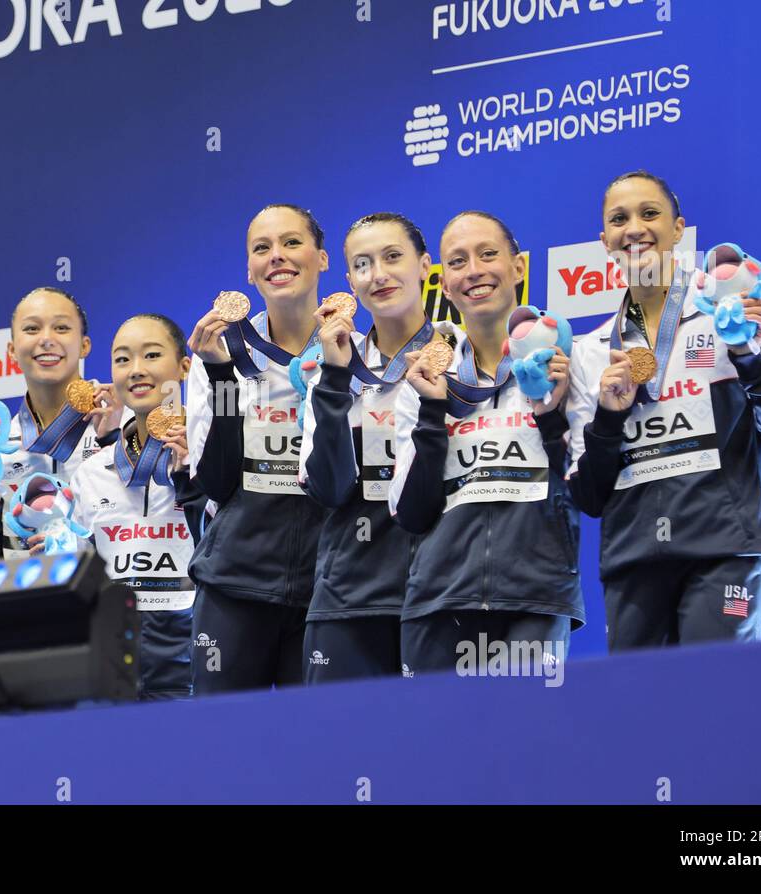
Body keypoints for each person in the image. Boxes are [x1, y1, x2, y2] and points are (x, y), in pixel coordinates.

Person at [560, 170, 761, 649]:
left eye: (649, 213)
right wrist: (610, 415)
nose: (634, 228)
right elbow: (590, 496)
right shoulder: (590, 351)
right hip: (633, 566)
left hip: (726, 554)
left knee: (720, 708)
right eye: (619, 219)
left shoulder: (735, 314)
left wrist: (747, 355)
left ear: (679, 229)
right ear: (605, 241)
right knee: (641, 720)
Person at [390, 211, 584, 675]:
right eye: (457, 262)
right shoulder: (422, 380)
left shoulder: (567, 362)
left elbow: (589, 488)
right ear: (445, 283)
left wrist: (552, 416)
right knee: (437, 749)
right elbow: (413, 513)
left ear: (518, 267)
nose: (474, 270)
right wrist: (434, 411)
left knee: (524, 747)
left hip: (534, 597)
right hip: (438, 602)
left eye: (488, 254)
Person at [184, 203, 329, 693]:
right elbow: (218, 482)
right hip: (235, 584)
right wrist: (222, 373)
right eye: (261, 248)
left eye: (292, 243)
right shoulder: (220, 353)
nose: (277, 257)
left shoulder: (355, 352)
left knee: (315, 748)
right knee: (220, 748)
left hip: (328, 588)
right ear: (248, 270)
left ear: (322, 258)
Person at [297, 213, 437, 681]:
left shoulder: (459, 355)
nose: (378, 275)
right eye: (362, 264)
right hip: (348, 597)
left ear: (425, 265)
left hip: (440, 590)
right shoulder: (326, 365)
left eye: (392, 257)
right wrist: (336, 378)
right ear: (349, 281)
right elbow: (330, 488)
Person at [67, 313, 205, 699]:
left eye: (151, 355)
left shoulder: (212, 458)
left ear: (185, 366)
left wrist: (194, 475)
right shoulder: (92, 471)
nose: (136, 370)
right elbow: (82, 566)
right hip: (113, 652)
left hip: (191, 648)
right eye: (123, 359)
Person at [0, 287, 123, 559]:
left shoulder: (124, 423)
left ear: (85, 345)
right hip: (27, 596)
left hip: (110, 596)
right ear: (12, 351)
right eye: (32, 329)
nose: (46, 340)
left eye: (61, 327)